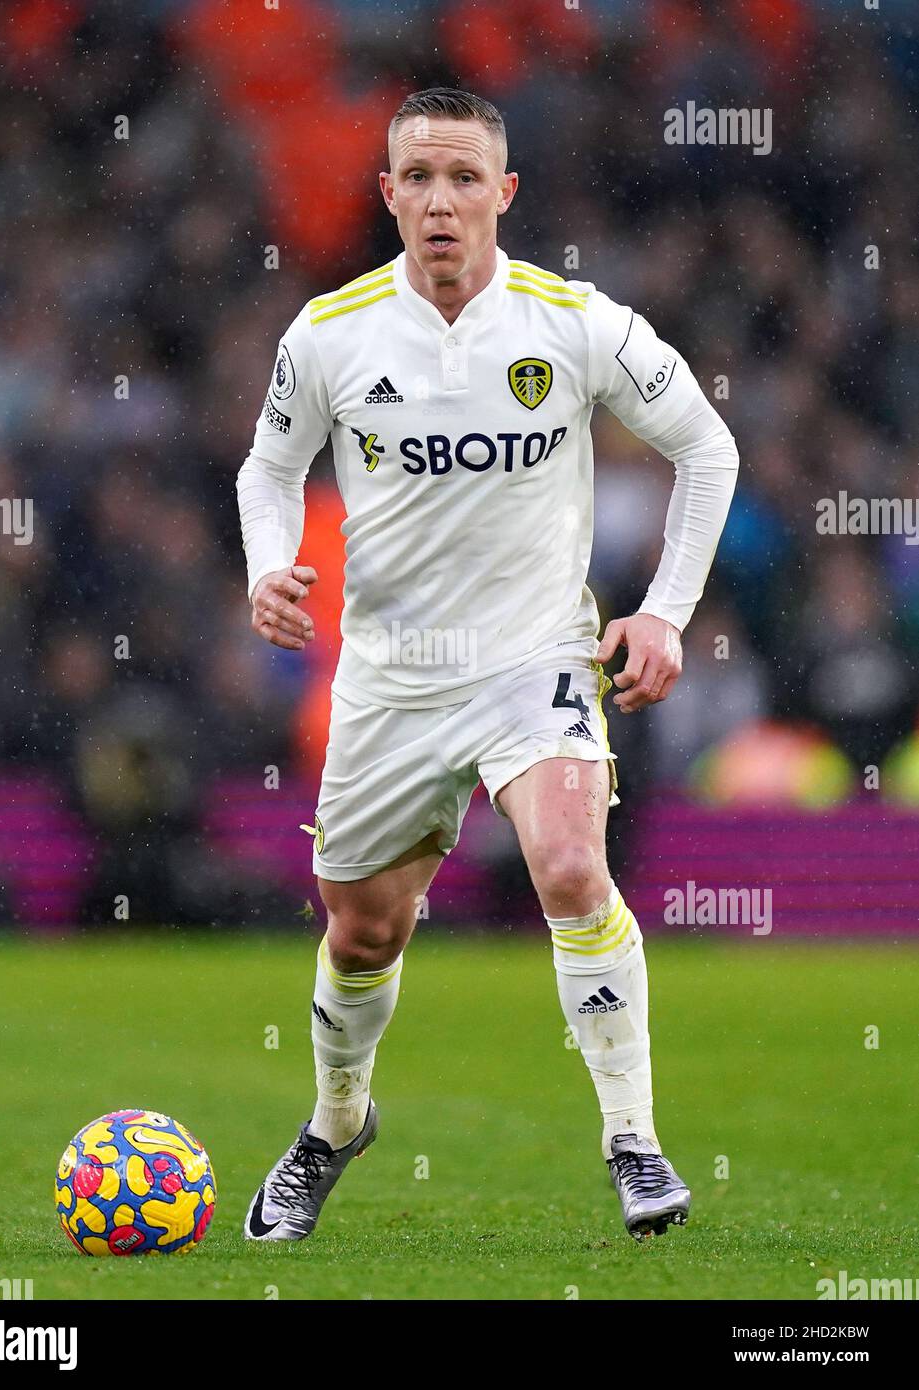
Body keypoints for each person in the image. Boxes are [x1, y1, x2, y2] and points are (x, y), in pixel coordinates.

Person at [236, 87, 738, 1243]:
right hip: (392, 675)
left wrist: (663, 613)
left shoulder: (576, 323)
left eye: (466, 178)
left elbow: (707, 449)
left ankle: (635, 1142)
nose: (442, 202)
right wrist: (269, 565)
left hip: (534, 655)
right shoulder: (329, 333)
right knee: (365, 930)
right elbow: (268, 471)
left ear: (504, 194)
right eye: (419, 178)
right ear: (388, 195)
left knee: (569, 863)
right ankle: (335, 1122)